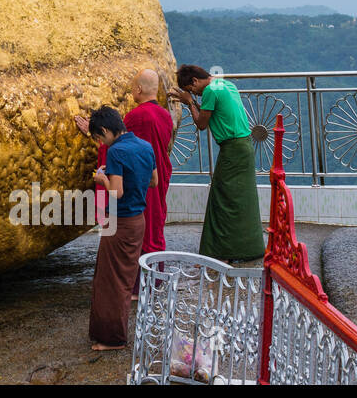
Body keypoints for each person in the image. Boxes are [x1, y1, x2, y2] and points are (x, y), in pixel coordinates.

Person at [168, 64, 265, 263]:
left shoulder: (210, 91)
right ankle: (247, 247)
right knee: (240, 199)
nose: (193, 93)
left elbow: (202, 124)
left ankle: (224, 252)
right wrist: (193, 100)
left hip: (233, 149)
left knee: (223, 199)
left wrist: (190, 103)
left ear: (194, 81)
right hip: (244, 146)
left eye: (190, 89)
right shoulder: (224, 84)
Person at [75, 69, 176, 254]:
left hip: (137, 184)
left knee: (140, 231)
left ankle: (136, 278)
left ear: (138, 89)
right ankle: (154, 275)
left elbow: (119, 147)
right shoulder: (165, 115)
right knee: (155, 226)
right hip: (156, 177)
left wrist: (94, 133)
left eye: (132, 89)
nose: (131, 93)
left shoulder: (136, 116)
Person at [85, 106, 157, 351]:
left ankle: (113, 339)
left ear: (105, 130)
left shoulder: (115, 152)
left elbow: (116, 193)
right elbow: (154, 181)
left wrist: (102, 179)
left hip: (119, 222)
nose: (100, 142)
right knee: (123, 279)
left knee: (110, 281)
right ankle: (112, 333)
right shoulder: (146, 146)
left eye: (98, 137)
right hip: (138, 221)